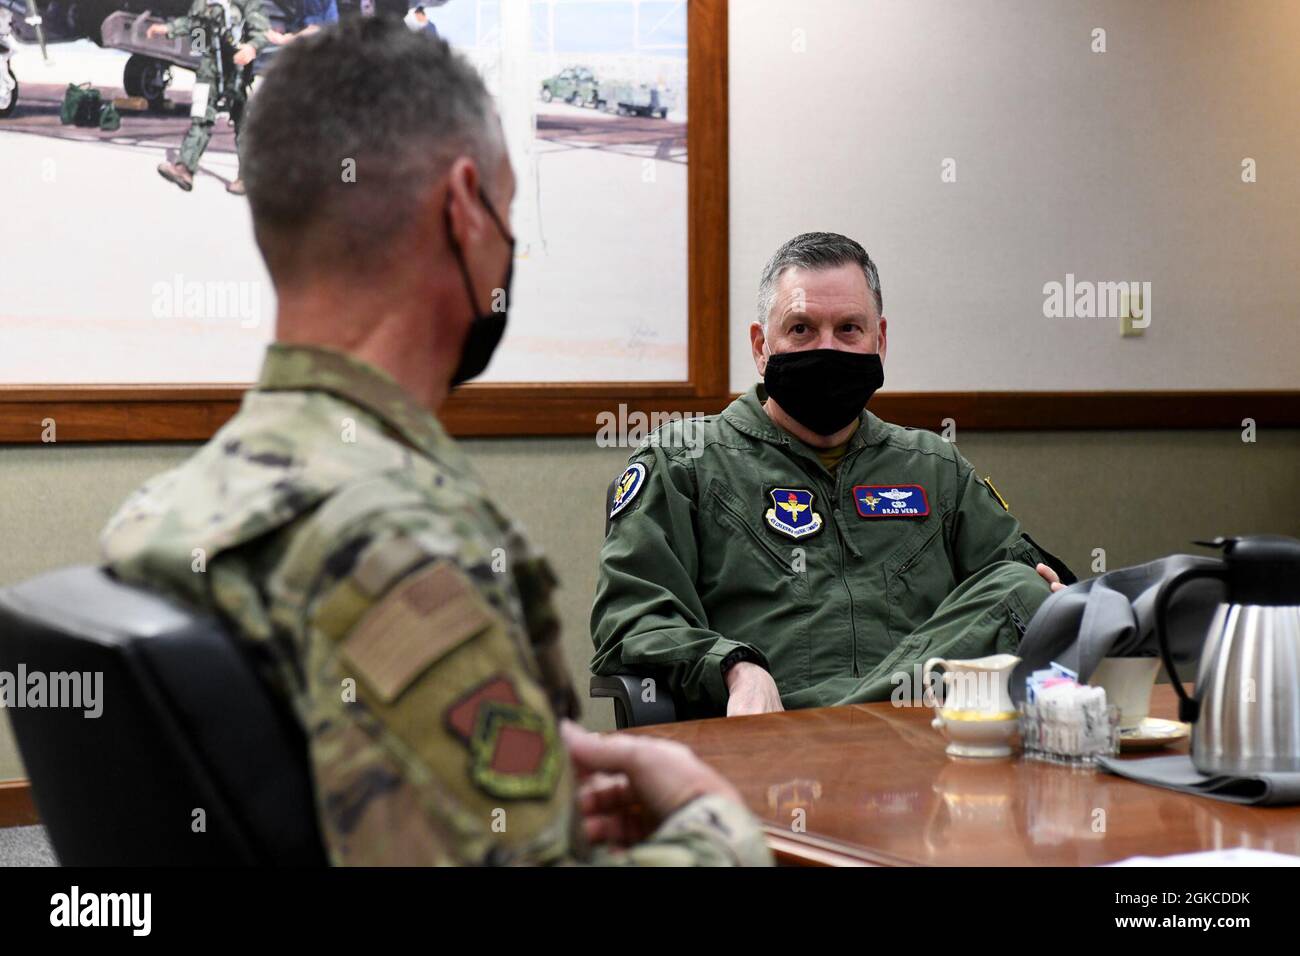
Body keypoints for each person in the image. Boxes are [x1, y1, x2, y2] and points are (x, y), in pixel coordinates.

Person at [101, 18, 769, 867]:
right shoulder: (397, 549)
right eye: (507, 208)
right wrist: (717, 820)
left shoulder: (161, 515)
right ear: (463, 208)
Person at [591, 232, 1076, 718]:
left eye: (849, 329)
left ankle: (843, 722)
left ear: (879, 341)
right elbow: (633, 619)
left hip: (925, 757)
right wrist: (735, 667)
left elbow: (1024, 586)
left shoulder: (934, 467)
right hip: (764, 753)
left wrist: (1055, 599)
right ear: (761, 346)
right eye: (801, 329)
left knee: (1024, 586)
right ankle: (854, 725)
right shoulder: (683, 462)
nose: (828, 348)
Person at [149, 0, 270, 194]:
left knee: (243, 122)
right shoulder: (203, 2)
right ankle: (184, 168)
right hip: (209, 66)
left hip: (236, 68)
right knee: (200, 116)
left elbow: (262, 29)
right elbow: (194, 26)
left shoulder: (246, 2)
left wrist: (252, 48)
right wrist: (167, 29)